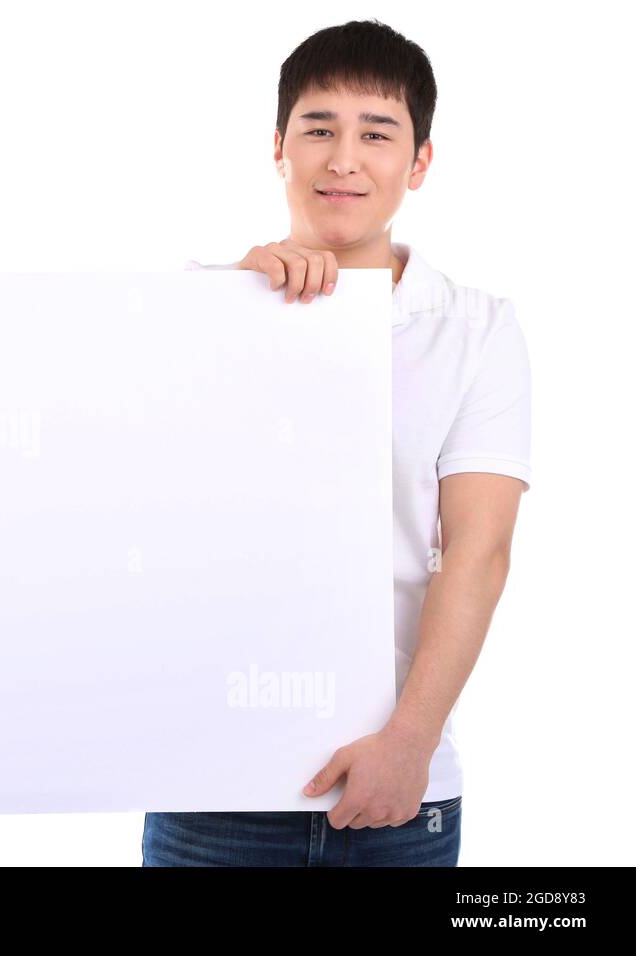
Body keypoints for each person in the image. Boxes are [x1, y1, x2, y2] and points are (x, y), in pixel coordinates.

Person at [144, 19, 531, 865]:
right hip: (212, 788)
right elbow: (147, 514)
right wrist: (233, 324)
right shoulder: (199, 308)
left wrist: (410, 743)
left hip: (398, 790)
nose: (344, 158)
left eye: (377, 133)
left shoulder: (475, 329)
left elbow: (479, 552)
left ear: (419, 162)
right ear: (279, 148)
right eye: (319, 129)